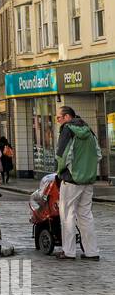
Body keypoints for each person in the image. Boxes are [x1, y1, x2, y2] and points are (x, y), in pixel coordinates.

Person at [54, 105, 102, 261]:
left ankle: (68, 252)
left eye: (59, 118)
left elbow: (62, 155)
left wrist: (60, 172)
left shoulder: (67, 130)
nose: (58, 121)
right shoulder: (89, 129)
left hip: (72, 180)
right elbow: (98, 154)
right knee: (86, 215)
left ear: (68, 117)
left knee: (67, 215)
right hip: (88, 179)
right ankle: (92, 251)